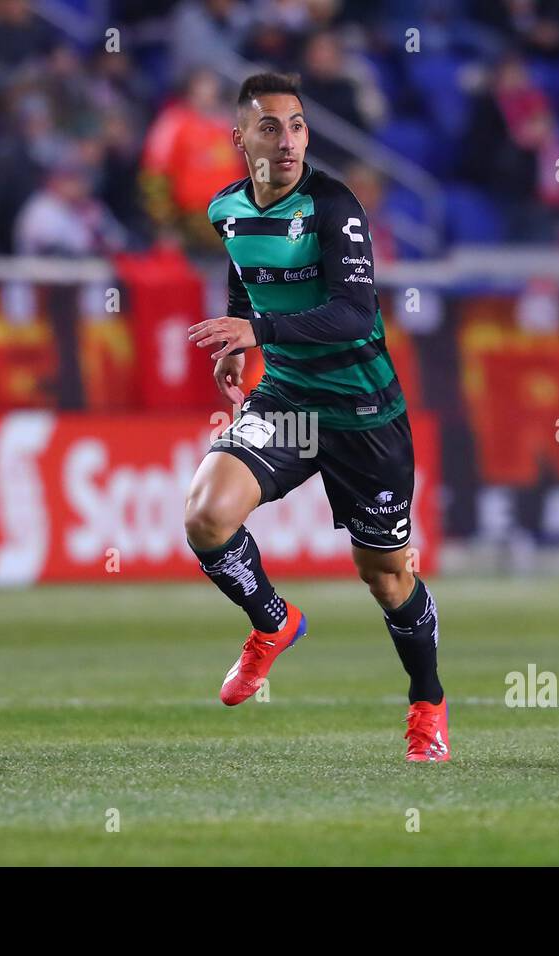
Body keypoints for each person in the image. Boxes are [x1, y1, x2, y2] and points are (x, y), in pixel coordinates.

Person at [184, 73, 448, 762]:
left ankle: (428, 703)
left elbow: (354, 312)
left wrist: (258, 332)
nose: (289, 138)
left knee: (386, 577)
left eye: (297, 124)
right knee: (205, 516)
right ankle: (273, 621)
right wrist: (240, 335)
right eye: (271, 126)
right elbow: (243, 272)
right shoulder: (226, 210)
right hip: (292, 405)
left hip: (363, 415)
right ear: (240, 138)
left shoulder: (333, 205)